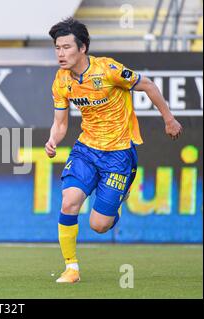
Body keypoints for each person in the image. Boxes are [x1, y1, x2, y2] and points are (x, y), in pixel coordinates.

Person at [45, 18, 182, 283]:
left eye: (66, 47)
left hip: (119, 154)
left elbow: (148, 85)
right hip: (86, 149)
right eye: (57, 48)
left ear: (82, 48)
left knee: (99, 225)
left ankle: (118, 197)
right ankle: (71, 268)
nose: (60, 53)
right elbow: (60, 124)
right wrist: (53, 140)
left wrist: (169, 119)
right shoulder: (61, 81)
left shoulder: (108, 69)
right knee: (69, 200)